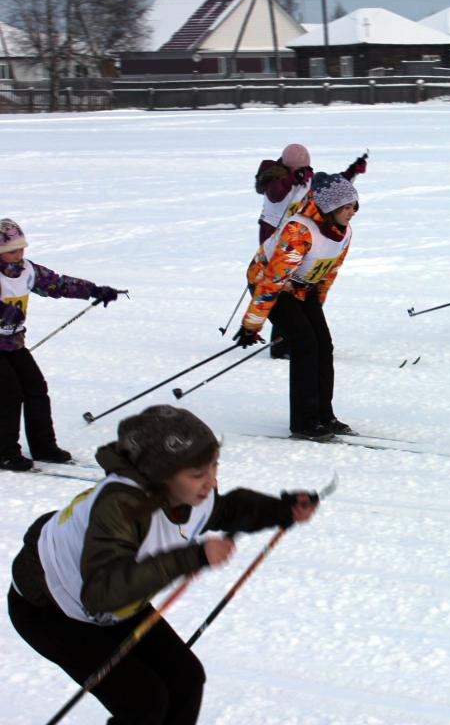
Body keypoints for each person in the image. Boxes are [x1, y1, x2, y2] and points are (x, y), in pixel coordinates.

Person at [8, 404, 319, 725]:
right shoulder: (120, 507)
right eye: (198, 474)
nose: (210, 482)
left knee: (186, 680)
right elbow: (102, 593)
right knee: (144, 703)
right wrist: (193, 557)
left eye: (214, 466)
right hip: (51, 610)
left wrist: (282, 510)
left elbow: (224, 510)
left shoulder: (188, 493)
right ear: (160, 477)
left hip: (115, 598)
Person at [234, 172, 358, 441]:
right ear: (329, 208)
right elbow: (273, 280)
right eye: (346, 208)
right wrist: (251, 324)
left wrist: (316, 309)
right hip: (270, 284)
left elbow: (328, 273)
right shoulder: (299, 230)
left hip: (304, 286)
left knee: (323, 345)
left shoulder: (343, 233)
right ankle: (304, 422)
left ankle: (325, 415)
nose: (351, 213)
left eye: (353, 206)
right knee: (305, 344)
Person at [1, 219, 122, 472]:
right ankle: (4, 452)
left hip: (13, 343)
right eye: (12, 250)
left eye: (22, 249)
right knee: (9, 392)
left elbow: (57, 284)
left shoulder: (27, 271)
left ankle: (44, 446)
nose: (19, 255)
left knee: (35, 387)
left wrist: (95, 290)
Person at [255, 145, 367, 359]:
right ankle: (280, 346)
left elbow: (329, 190)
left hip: (301, 238)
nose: (307, 170)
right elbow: (275, 194)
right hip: (274, 237)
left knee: (301, 288)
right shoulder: (274, 179)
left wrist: (351, 172)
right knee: (284, 289)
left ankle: (291, 339)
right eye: (303, 166)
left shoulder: (305, 177)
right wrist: (292, 179)